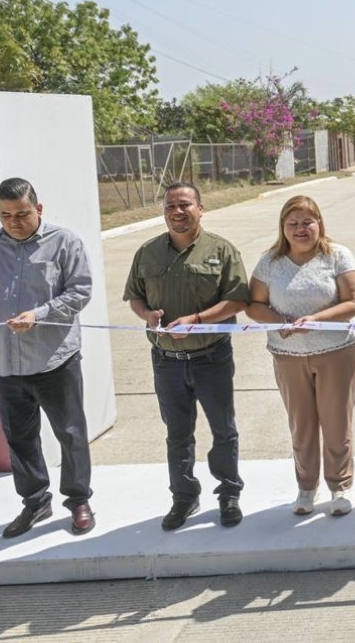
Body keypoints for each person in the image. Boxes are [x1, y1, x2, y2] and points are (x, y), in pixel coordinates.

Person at [0, 178, 96, 539]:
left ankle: (79, 500)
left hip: (54, 360)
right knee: (20, 437)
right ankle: (35, 501)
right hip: (4, 361)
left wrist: (40, 314)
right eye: (5, 215)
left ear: (38, 209)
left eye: (21, 214)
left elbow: (81, 291)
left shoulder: (64, 242)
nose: (14, 222)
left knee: (70, 434)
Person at [124, 181, 249, 530]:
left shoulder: (221, 251)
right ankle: (184, 498)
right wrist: (146, 315)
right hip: (167, 362)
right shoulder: (147, 253)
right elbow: (135, 296)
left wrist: (197, 321)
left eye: (184, 205)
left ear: (200, 208)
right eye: (170, 207)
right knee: (177, 433)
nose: (177, 212)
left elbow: (239, 300)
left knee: (223, 429)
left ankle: (228, 493)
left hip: (211, 358)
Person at [246, 195, 355, 517]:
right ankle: (306, 487)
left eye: (307, 222)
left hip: (335, 354)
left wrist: (316, 320)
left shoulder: (337, 255)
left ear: (319, 224)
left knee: (337, 424)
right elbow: (254, 306)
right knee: (302, 425)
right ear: (283, 227)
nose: (300, 229)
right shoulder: (269, 262)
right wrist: (280, 322)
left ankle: (340, 486)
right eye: (293, 223)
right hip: (288, 356)